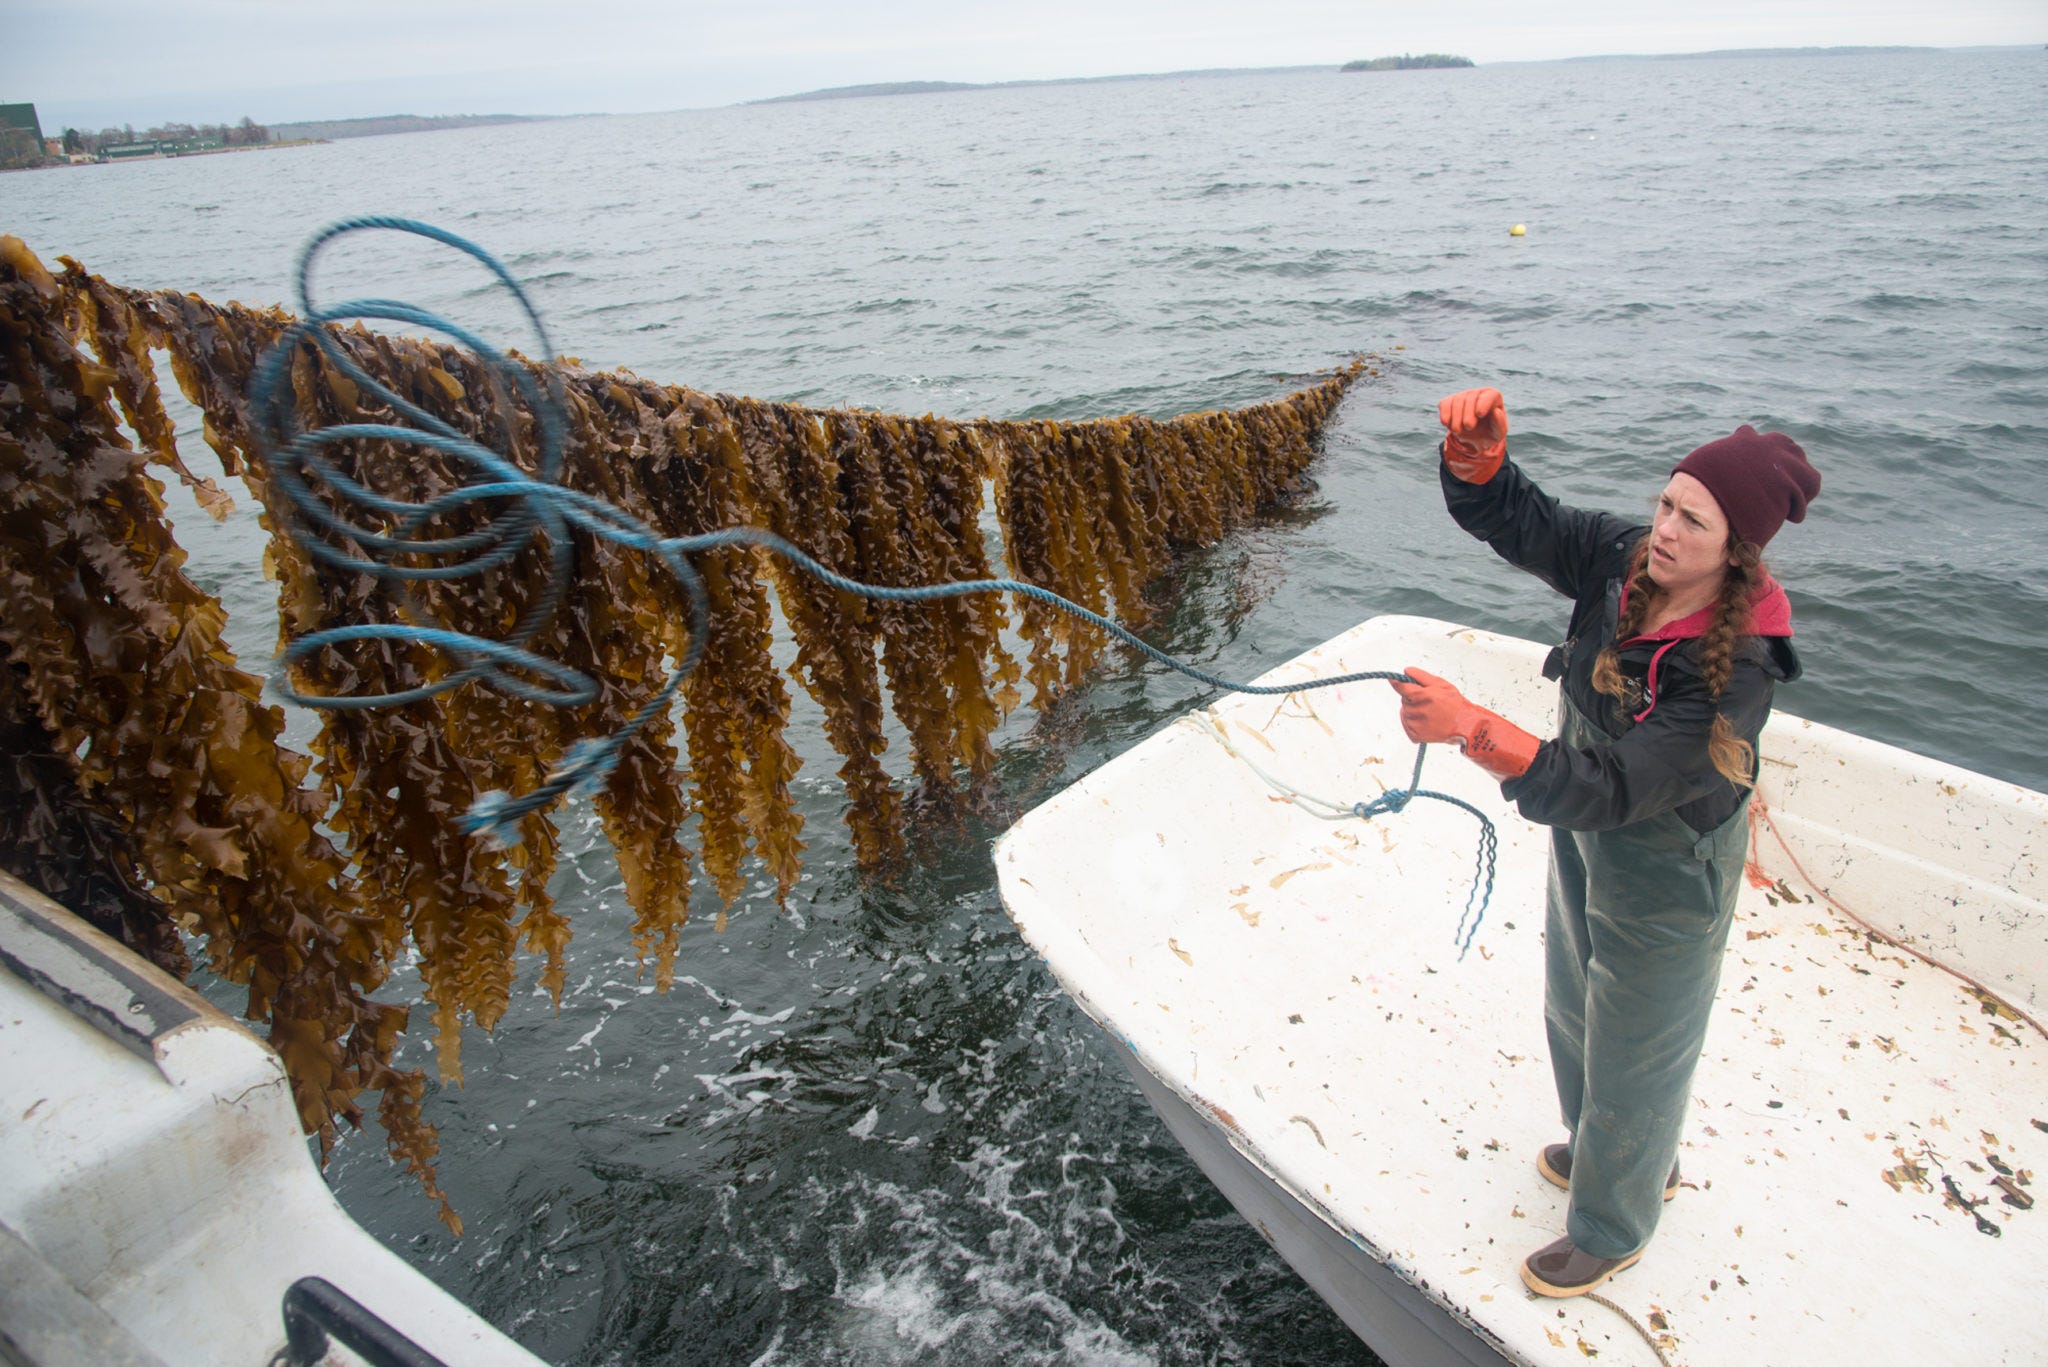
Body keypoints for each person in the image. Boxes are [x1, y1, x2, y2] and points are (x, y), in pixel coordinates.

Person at [1389, 387, 1821, 1299]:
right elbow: (1527, 521)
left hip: (1668, 853)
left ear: (1735, 551)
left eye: (1692, 520)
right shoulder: (1626, 559)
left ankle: (1614, 1220)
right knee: (1576, 986)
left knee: (1642, 1030)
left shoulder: (1738, 669)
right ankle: (1607, 1146)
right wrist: (1480, 465)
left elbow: (1620, 786)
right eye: (1667, 502)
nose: (1664, 529)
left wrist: (1475, 728)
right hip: (1587, 817)